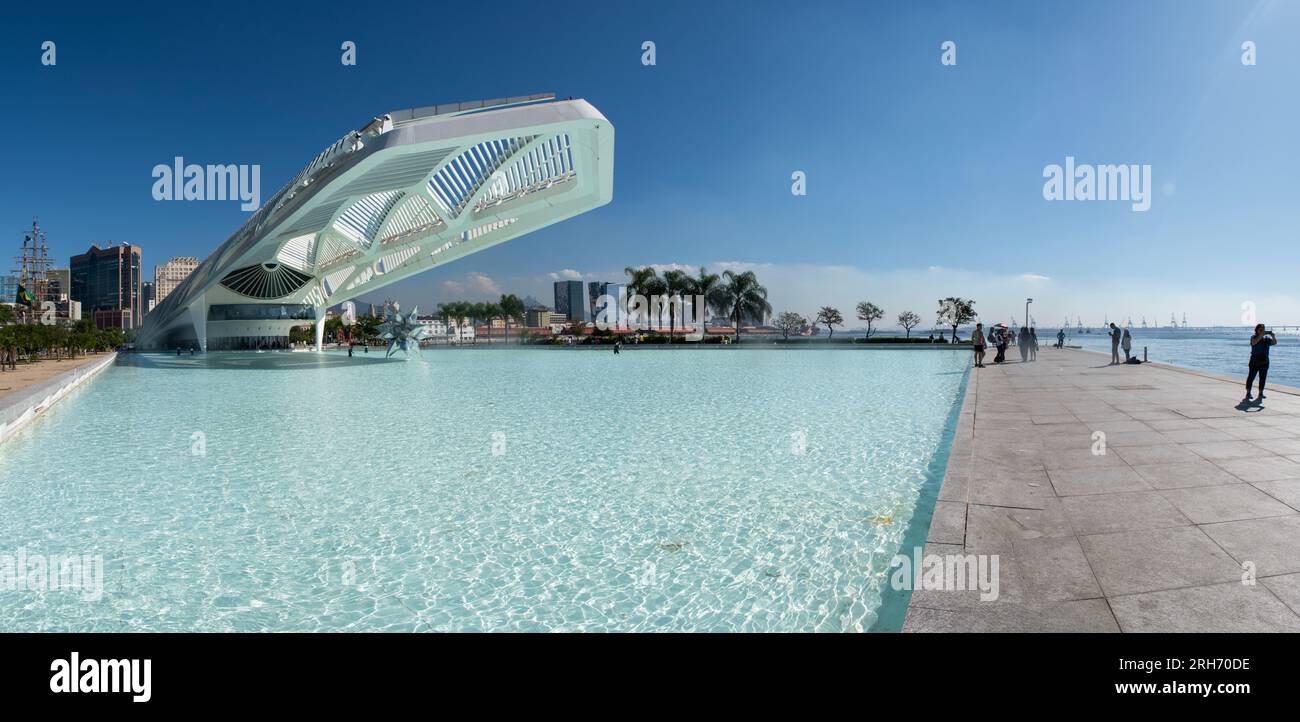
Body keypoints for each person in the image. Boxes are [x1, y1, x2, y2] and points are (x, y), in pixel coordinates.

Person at [1246, 324, 1276, 401]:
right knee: (1251, 377)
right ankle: (1248, 393)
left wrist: (1273, 336)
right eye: (1260, 329)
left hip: (1264, 362)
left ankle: (1261, 393)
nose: (1262, 331)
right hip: (1254, 362)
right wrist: (1261, 335)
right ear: (1257, 330)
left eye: (1263, 329)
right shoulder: (1253, 337)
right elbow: (1254, 343)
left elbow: (1274, 343)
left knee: (1263, 378)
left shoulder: (1266, 339)